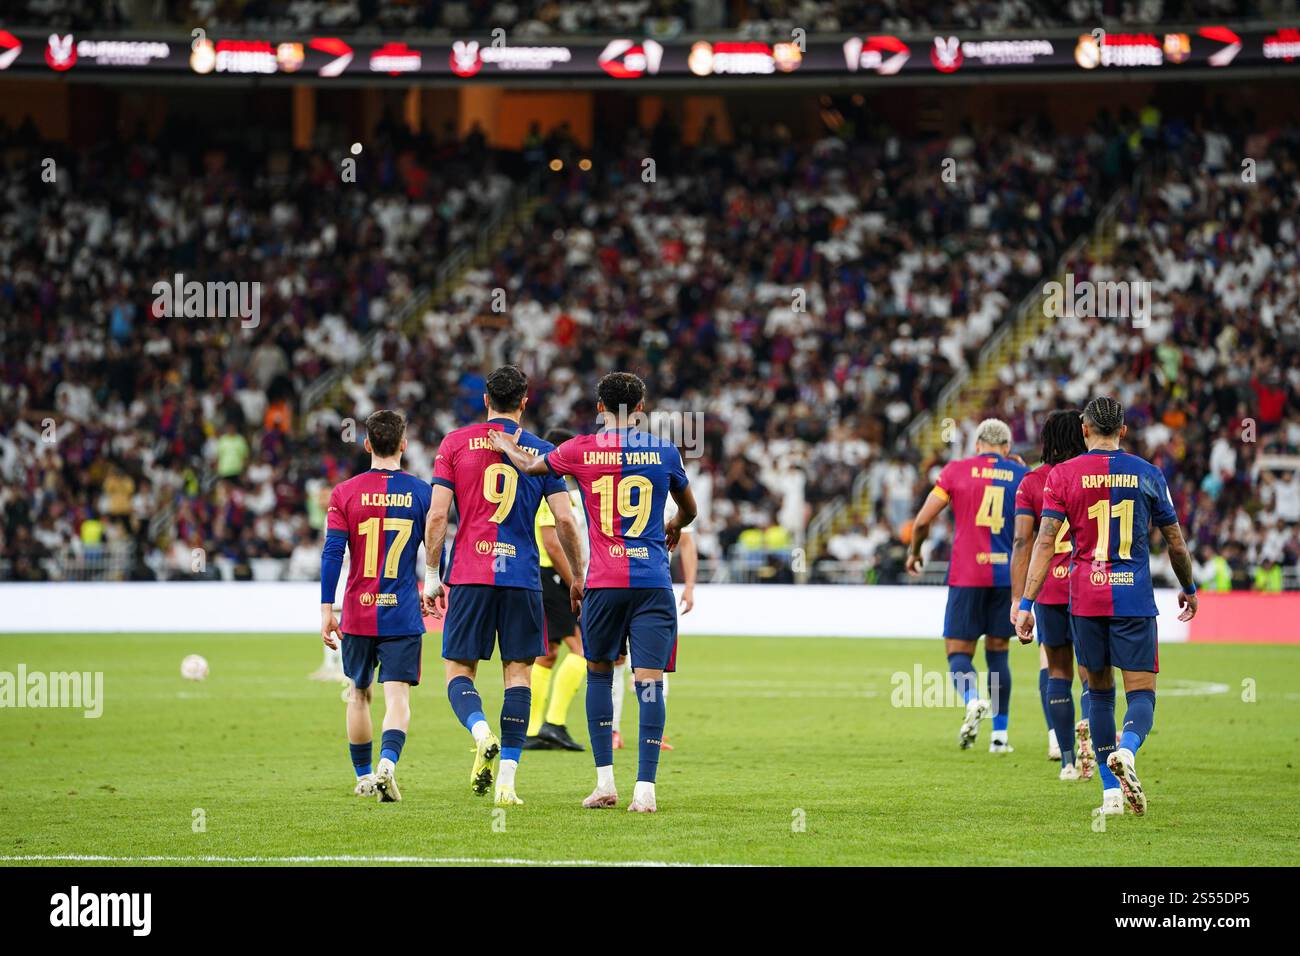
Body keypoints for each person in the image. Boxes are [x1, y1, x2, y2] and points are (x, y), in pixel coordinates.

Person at [490, 371, 697, 813]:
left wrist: (503, 441)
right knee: (649, 684)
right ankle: (646, 790)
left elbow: (528, 466)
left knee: (599, 672)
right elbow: (689, 508)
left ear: (599, 408)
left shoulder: (580, 449)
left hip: (604, 583)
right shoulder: (663, 451)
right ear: (640, 409)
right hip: (652, 584)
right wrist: (675, 526)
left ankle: (605, 783)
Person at [1017, 397, 1198, 818]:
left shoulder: (1061, 475)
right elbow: (1175, 542)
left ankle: (1109, 794)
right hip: (1133, 597)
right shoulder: (1149, 474)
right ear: (1124, 430)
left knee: (1097, 694)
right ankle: (1128, 751)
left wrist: (1027, 602)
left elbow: (1043, 543)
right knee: (1142, 695)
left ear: (1084, 429)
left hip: (1086, 598)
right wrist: (1188, 585)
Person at [422, 366, 585, 807]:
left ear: (485, 401)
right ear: (525, 402)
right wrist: (579, 575)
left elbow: (437, 516)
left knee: (459, 672)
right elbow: (566, 519)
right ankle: (508, 784)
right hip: (522, 576)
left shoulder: (455, 443)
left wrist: (432, 575)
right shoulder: (544, 451)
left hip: (471, 572)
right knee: (519, 675)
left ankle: (480, 732)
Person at [319, 409, 432, 803]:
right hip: (401, 609)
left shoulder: (344, 493)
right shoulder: (423, 493)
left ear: (367, 444)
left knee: (359, 694)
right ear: (403, 444)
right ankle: (388, 764)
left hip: (358, 610)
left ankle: (365, 776)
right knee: (398, 697)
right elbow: (437, 547)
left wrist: (325, 610)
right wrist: (433, 587)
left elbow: (333, 553)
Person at [906, 419, 1029, 751]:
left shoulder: (955, 471)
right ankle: (1000, 737)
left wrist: (915, 552)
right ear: (1006, 448)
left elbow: (921, 521)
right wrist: (1023, 467)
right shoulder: (1020, 476)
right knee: (999, 654)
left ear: (977, 445)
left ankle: (973, 698)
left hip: (966, 575)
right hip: (1007, 577)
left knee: (958, 653)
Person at [1009, 409, 1096, 780]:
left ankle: (1066, 761)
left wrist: (1019, 599)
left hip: (1048, 589)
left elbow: (1021, 541)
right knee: (1094, 675)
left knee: (1057, 671)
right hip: (1089, 584)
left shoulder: (1031, 483)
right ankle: (1093, 743)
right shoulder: (1092, 475)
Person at [525, 427, 589, 752]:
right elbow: (551, 541)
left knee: (547, 655)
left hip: (540, 577)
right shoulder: (554, 488)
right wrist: (576, 580)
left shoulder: (544, 485)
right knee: (580, 650)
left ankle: (534, 729)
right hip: (551, 576)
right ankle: (555, 723)